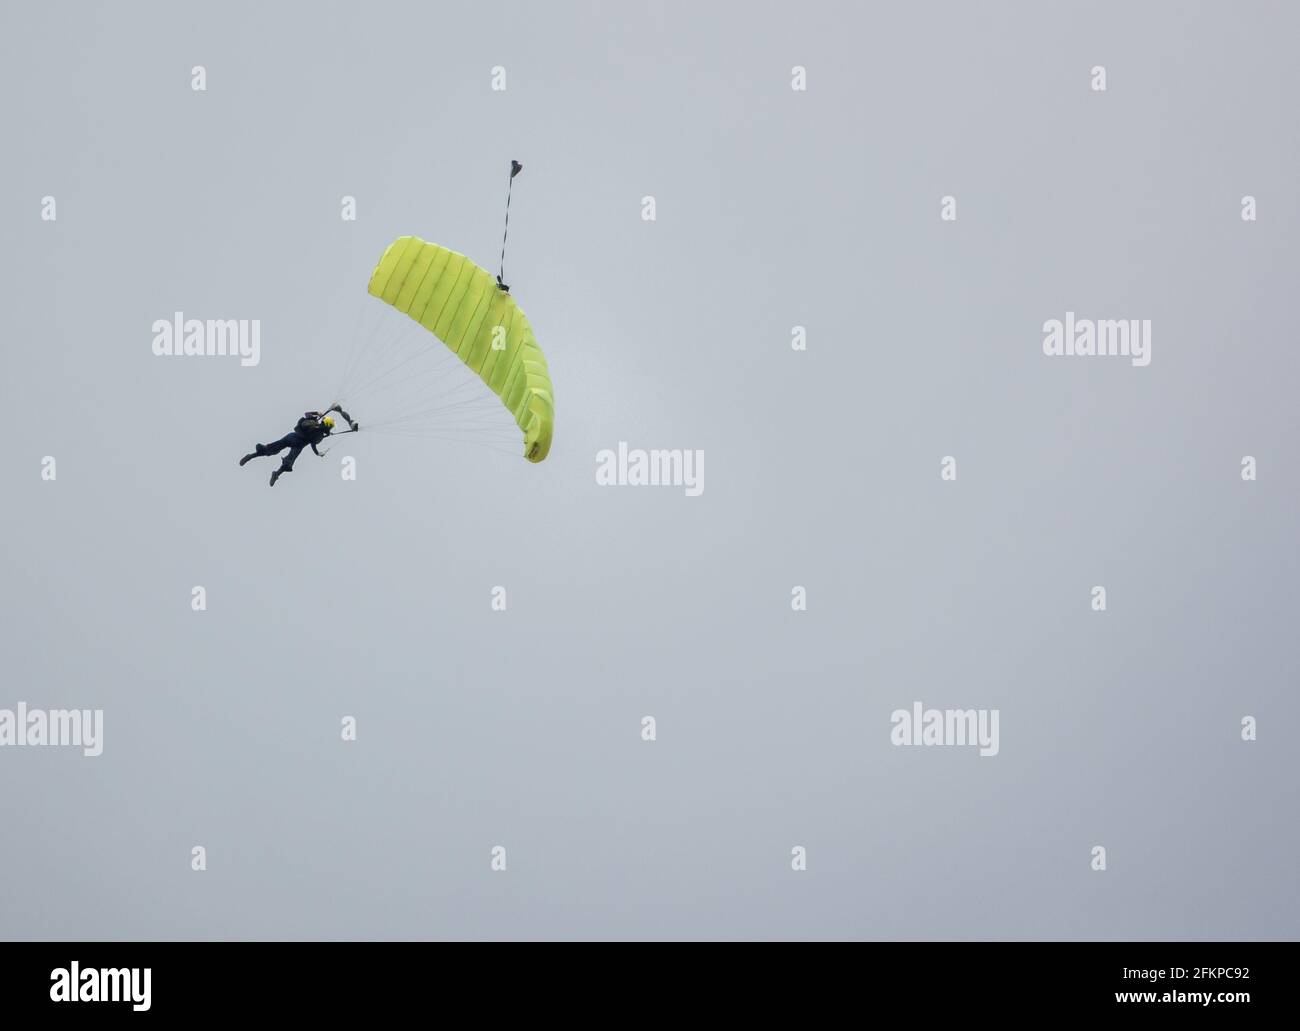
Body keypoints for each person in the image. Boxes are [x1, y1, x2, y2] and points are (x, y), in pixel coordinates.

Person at [239, 405, 357, 486]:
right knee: (289, 461)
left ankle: (252, 456)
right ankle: (276, 474)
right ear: (328, 426)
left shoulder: (314, 422)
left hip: (291, 437)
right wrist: (318, 453)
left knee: (272, 448)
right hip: (298, 444)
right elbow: (313, 444)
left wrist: (317, 413)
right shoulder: (319, 433)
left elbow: (306, 414)